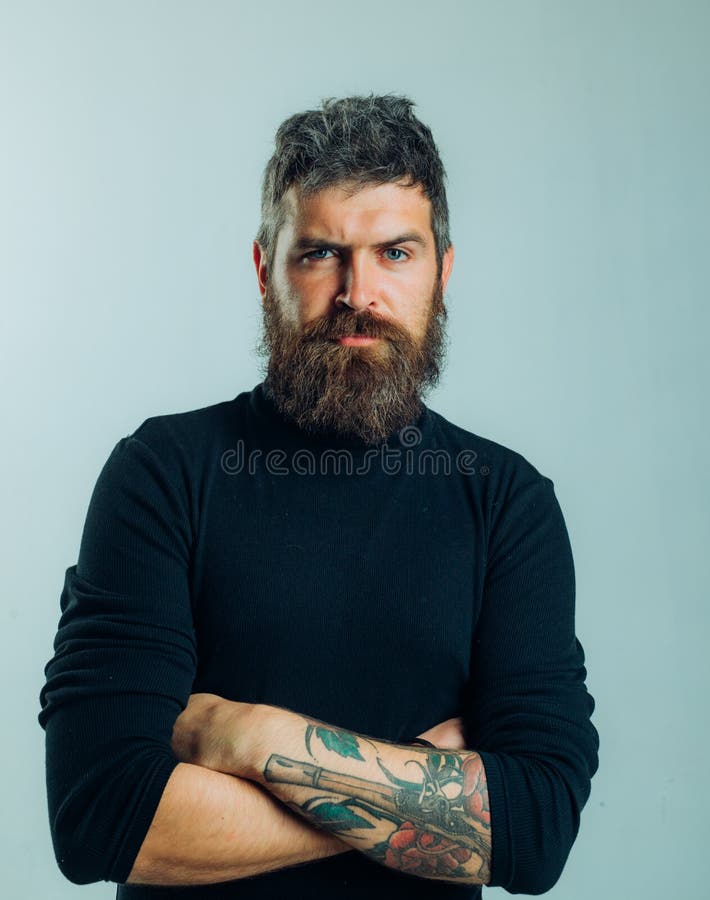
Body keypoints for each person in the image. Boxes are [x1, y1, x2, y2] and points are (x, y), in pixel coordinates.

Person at [39, 93, 599, 898]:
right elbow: (101, 818)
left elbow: (537, 829)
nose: (357, 292)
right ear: (267, 270)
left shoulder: (506, 502)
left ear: (444, 270)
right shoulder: (163, 473)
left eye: (395, 254)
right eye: (320, 254)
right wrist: (425, 784)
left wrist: (249, 735)